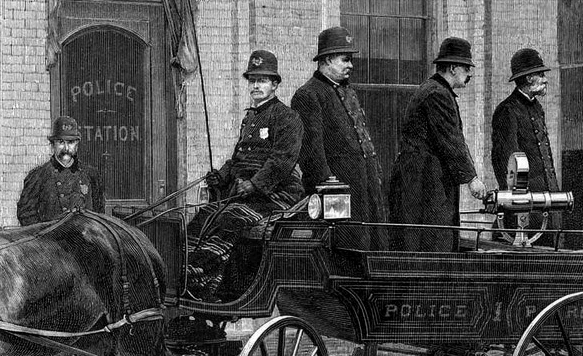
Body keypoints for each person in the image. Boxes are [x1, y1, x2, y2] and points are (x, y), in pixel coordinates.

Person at [184, 49, 303, 302]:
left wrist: (254, 185)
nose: (256, 85)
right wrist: (221, 176)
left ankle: (209, 276)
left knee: (230, 217)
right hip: (246, 192)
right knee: (204, 216)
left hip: (276, 193)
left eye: (262, 80)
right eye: (252, 80)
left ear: (275, 84)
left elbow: (281, 161)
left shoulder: (287, 117)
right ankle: (190, 274)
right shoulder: (250, 117)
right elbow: (238, 159)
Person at [292, 26, 387, 249]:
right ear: (326, 61)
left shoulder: (347, 91)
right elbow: (311, 152)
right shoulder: (308, 95)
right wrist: (330, 189)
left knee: (372, 246)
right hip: (338, 195)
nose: (350, 65)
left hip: (364, 189)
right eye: (345, 60)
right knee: (346, 249)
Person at [388, 37, 486, 252]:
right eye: (467, 68)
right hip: (424, 180)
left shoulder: (435, 90)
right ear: (452, 68)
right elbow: (451, 140)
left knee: (425, 236)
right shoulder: (437, 94)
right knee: (432, 238)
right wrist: (471, 179)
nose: (470, 74)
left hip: (424, 177)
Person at [491, 48, 558, 231]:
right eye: (541, 74)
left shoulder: (537, 108)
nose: (545, 80)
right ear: (529, 78)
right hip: (525, 204)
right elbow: (506, 161)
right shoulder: (508, 110)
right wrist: (518, 200)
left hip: (545, 200)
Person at [16, 116, 104, 226]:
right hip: (49, 242)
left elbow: (99, 214)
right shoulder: (38, 176)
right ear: (53, 144)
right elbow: (26, 215)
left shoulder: (91, 175)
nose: (66, 148)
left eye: (70, 142)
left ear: (77, 144)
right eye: (61, 142)